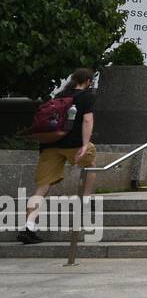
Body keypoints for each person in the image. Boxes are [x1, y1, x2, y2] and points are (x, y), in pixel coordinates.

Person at [17, 69, 96, 244]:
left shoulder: (59, 95)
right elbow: (87, 120)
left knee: (42, 188)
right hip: (74, 144)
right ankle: (86, 198)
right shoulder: (86, 97)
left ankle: (28, 226)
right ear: (88, 81)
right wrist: (84, 144)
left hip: (50, 144)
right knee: (91, 166)